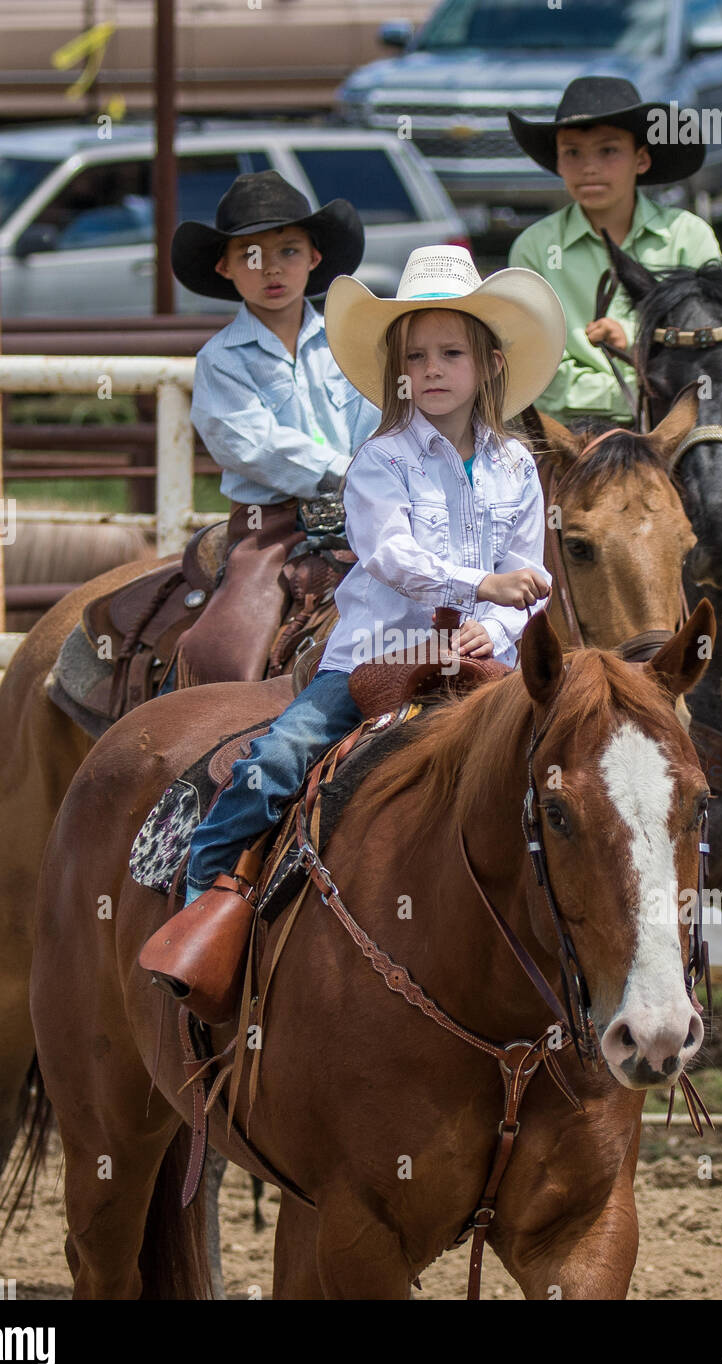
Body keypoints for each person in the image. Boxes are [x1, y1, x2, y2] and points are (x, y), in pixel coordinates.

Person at [181, 244, 566, 905]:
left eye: (451, 353)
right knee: (279, 757)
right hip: (379, 652)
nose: (432, 370)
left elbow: (527, 573)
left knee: (572, 766)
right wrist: (479, 588)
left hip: (484, 657)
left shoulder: (516, 466)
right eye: (415, 357)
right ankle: (198, 892)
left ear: (490, 363)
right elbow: (389, 555)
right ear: (398, 373)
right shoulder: (380, 460)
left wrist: (495, 623)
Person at [170, 170, 381, 681]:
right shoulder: (219, 359)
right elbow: (248, 442)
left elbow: (376, 415)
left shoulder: (349, 342)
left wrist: (376, 471)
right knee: (233, 644)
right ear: (225, 267)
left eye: (288, 250)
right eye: (251, 255)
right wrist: (343, 470)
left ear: (314, 259)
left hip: (370, 510)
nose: (272, 269)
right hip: (272, 528)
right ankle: (213, 731)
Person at [507, 76, 722, 432]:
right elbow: (535, 369)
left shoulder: (688, 236)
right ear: (557, 164)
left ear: (641, 159)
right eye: (572, 153)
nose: (589, 167)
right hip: (571, 438)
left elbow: (708, 346)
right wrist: (636, 391)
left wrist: (636, 341)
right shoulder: (534, 249)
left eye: (608, 151)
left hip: (675, 431)